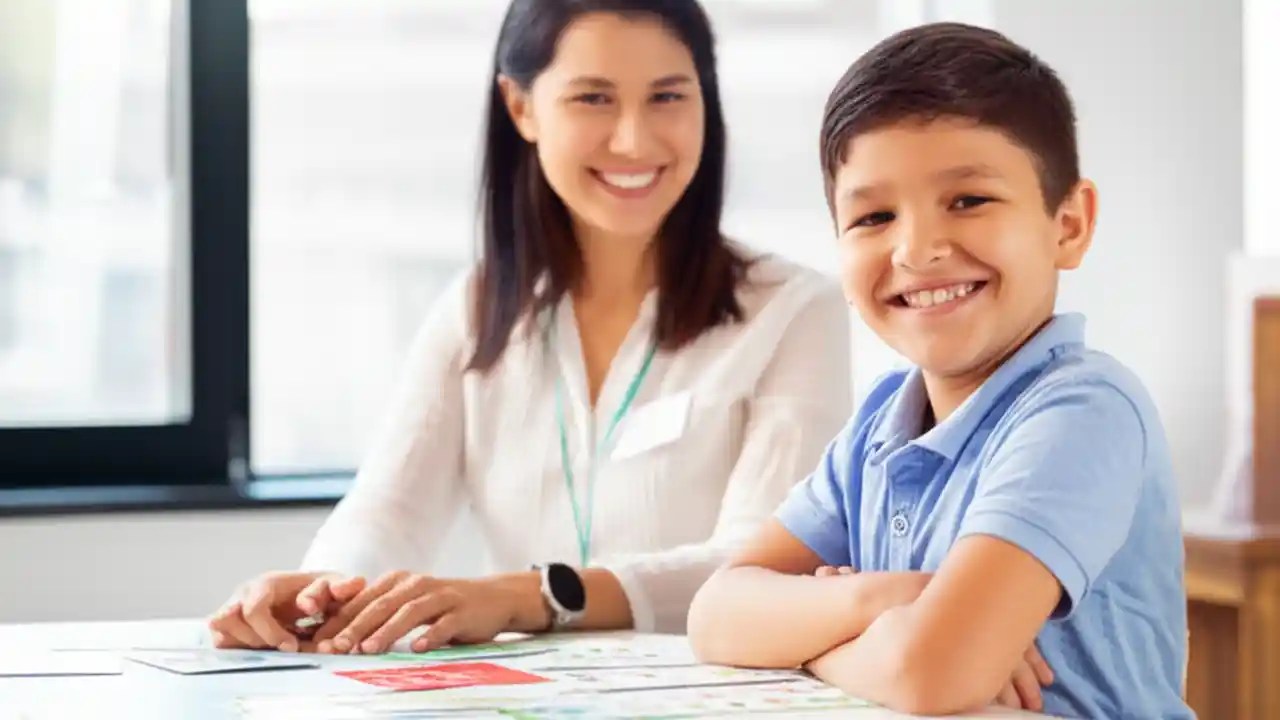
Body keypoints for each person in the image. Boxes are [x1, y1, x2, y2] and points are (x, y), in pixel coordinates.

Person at [207, 0, 850, 657]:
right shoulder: (476, 308)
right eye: (594, 98)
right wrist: (321, 592)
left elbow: (759, 564)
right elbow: (389, 511)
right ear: (521, 108)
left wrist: (534, 596)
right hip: (531, 695)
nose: (634, 140)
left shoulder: (795, 311)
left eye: (667, 97)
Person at [687, 22, 1191, 720]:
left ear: (1069, 225)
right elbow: (716, 616)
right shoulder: (878, 428)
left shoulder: (1084, 411)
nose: (917, 250)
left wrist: (810, 648)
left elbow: (931, 674)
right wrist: (883, 599)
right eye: (874, 216)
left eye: (969, 201)